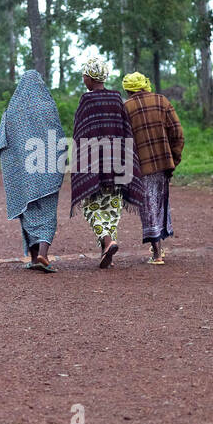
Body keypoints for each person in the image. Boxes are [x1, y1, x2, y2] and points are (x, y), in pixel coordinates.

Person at [70, 57, 143, 268]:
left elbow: (80, 132)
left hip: (93, 165)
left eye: (84, 76)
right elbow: (124, 129)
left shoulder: (87, 100)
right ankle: (107, 250)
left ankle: (107, 241)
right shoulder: (116, 98)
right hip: (117, 163)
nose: (83, 79)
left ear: (91, 79)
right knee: (112, 207)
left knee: (90, 207)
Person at [0, 69, 65, 272]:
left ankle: (36, 258)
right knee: (48, 212)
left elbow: (3, 142)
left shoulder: (13, 109)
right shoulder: (48, 106)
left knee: (27, 210)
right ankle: (43, 254)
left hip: (24, 173)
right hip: (47, 168)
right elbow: (59, 136)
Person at [122, 72, 184, 264]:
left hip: (141, 165)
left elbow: (123, 140)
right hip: (163, 163)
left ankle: (156, 252)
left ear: (128, 89)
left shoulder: (126, 107)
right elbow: (178, 133)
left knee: (147, 204)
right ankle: (157, 247)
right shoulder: (162, 101)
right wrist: (174, 158)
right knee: (159, 202)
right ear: (145, 85)